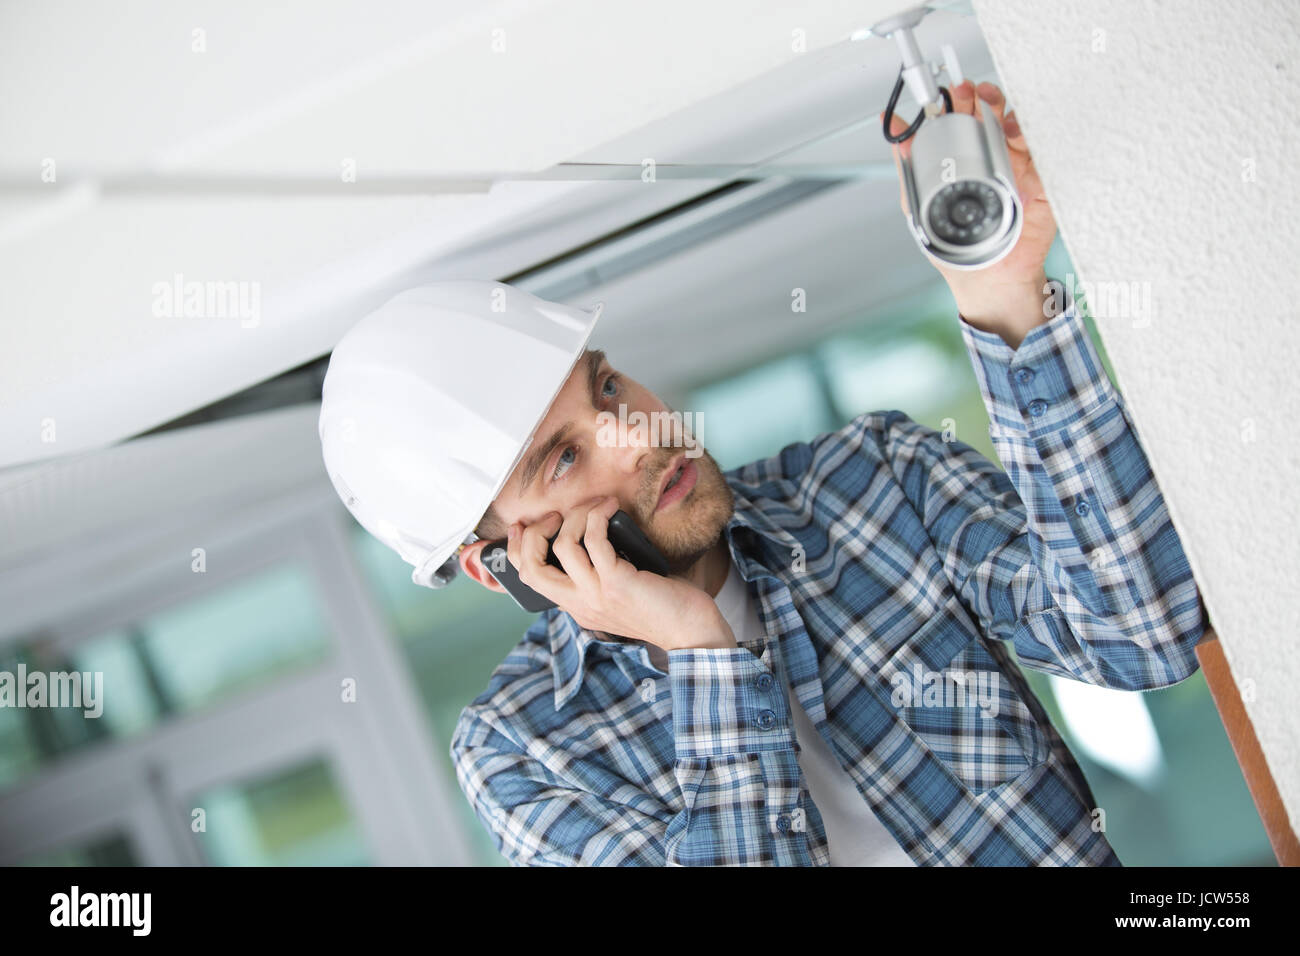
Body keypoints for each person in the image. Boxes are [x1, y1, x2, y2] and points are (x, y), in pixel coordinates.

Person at [318, 80, 1207, 865]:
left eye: (607, 387)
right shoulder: (525, 753)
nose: (636, 434)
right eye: (563, 457)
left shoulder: (873, 482)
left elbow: (1143, 634)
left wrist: (1006, 298)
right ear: (501, 561)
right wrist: (703, 654)